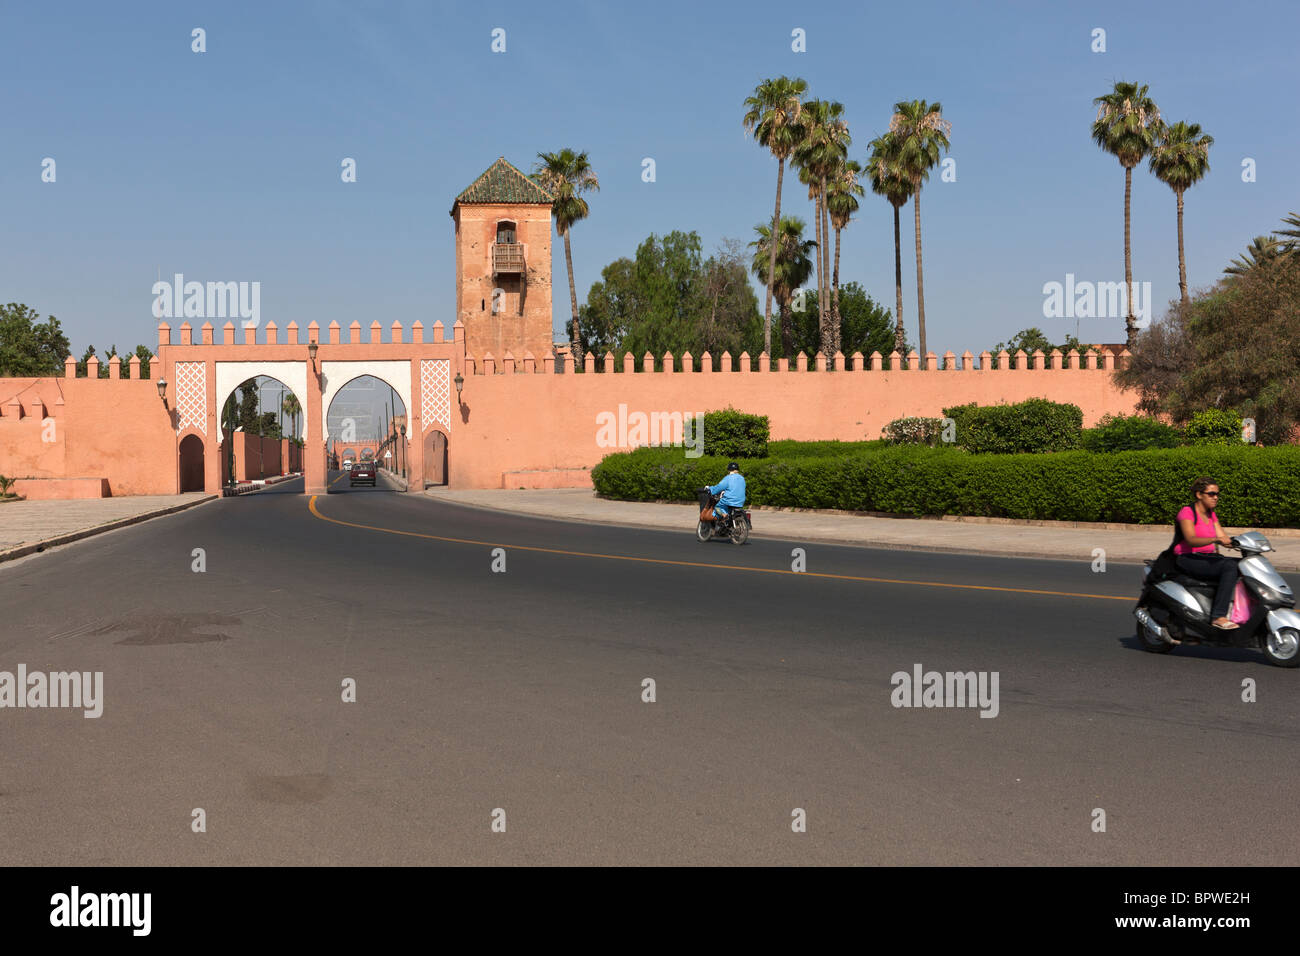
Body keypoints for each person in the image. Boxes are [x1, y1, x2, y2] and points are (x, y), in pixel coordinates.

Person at [1174, 476, 1240, 630]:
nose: (1216, 497)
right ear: (1199, 494)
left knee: (1243, 565)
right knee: (1229, 567)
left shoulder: (1211, 514)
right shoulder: (1187, 512)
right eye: (1211, 494)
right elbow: (1190, 539)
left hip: (1207, 558)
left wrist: (1240, 543)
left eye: (1217, 494)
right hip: (1187, 558)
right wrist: (1215, 539)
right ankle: (1218, 616)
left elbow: (1222, 536)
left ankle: (1238, 611)